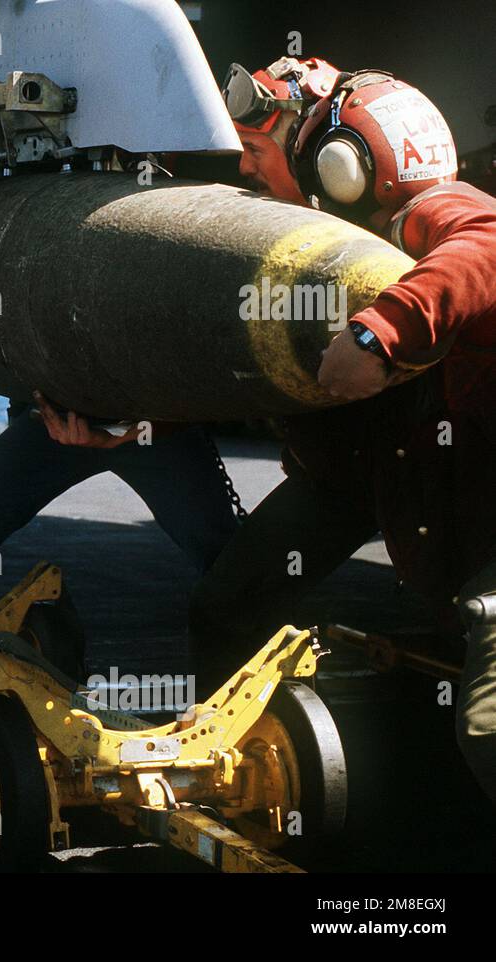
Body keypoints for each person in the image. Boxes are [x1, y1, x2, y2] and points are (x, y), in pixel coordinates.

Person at [192, 62, 496, 804]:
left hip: (483, 508)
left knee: (488, 731)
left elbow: (485, 244)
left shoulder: (433, 216)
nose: (243, 168)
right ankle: (233, 771)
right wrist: (117, 412)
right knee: (226, 604)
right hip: (375, 477)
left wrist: (379, 332)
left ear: (342, 171)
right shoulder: (316, 237)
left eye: (257, 154)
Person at [0, 341, 242, 662]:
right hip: (51, 423)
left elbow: (210, 385)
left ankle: (251, 684)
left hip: (155, 425)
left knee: (232, 558)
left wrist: (124, 433)